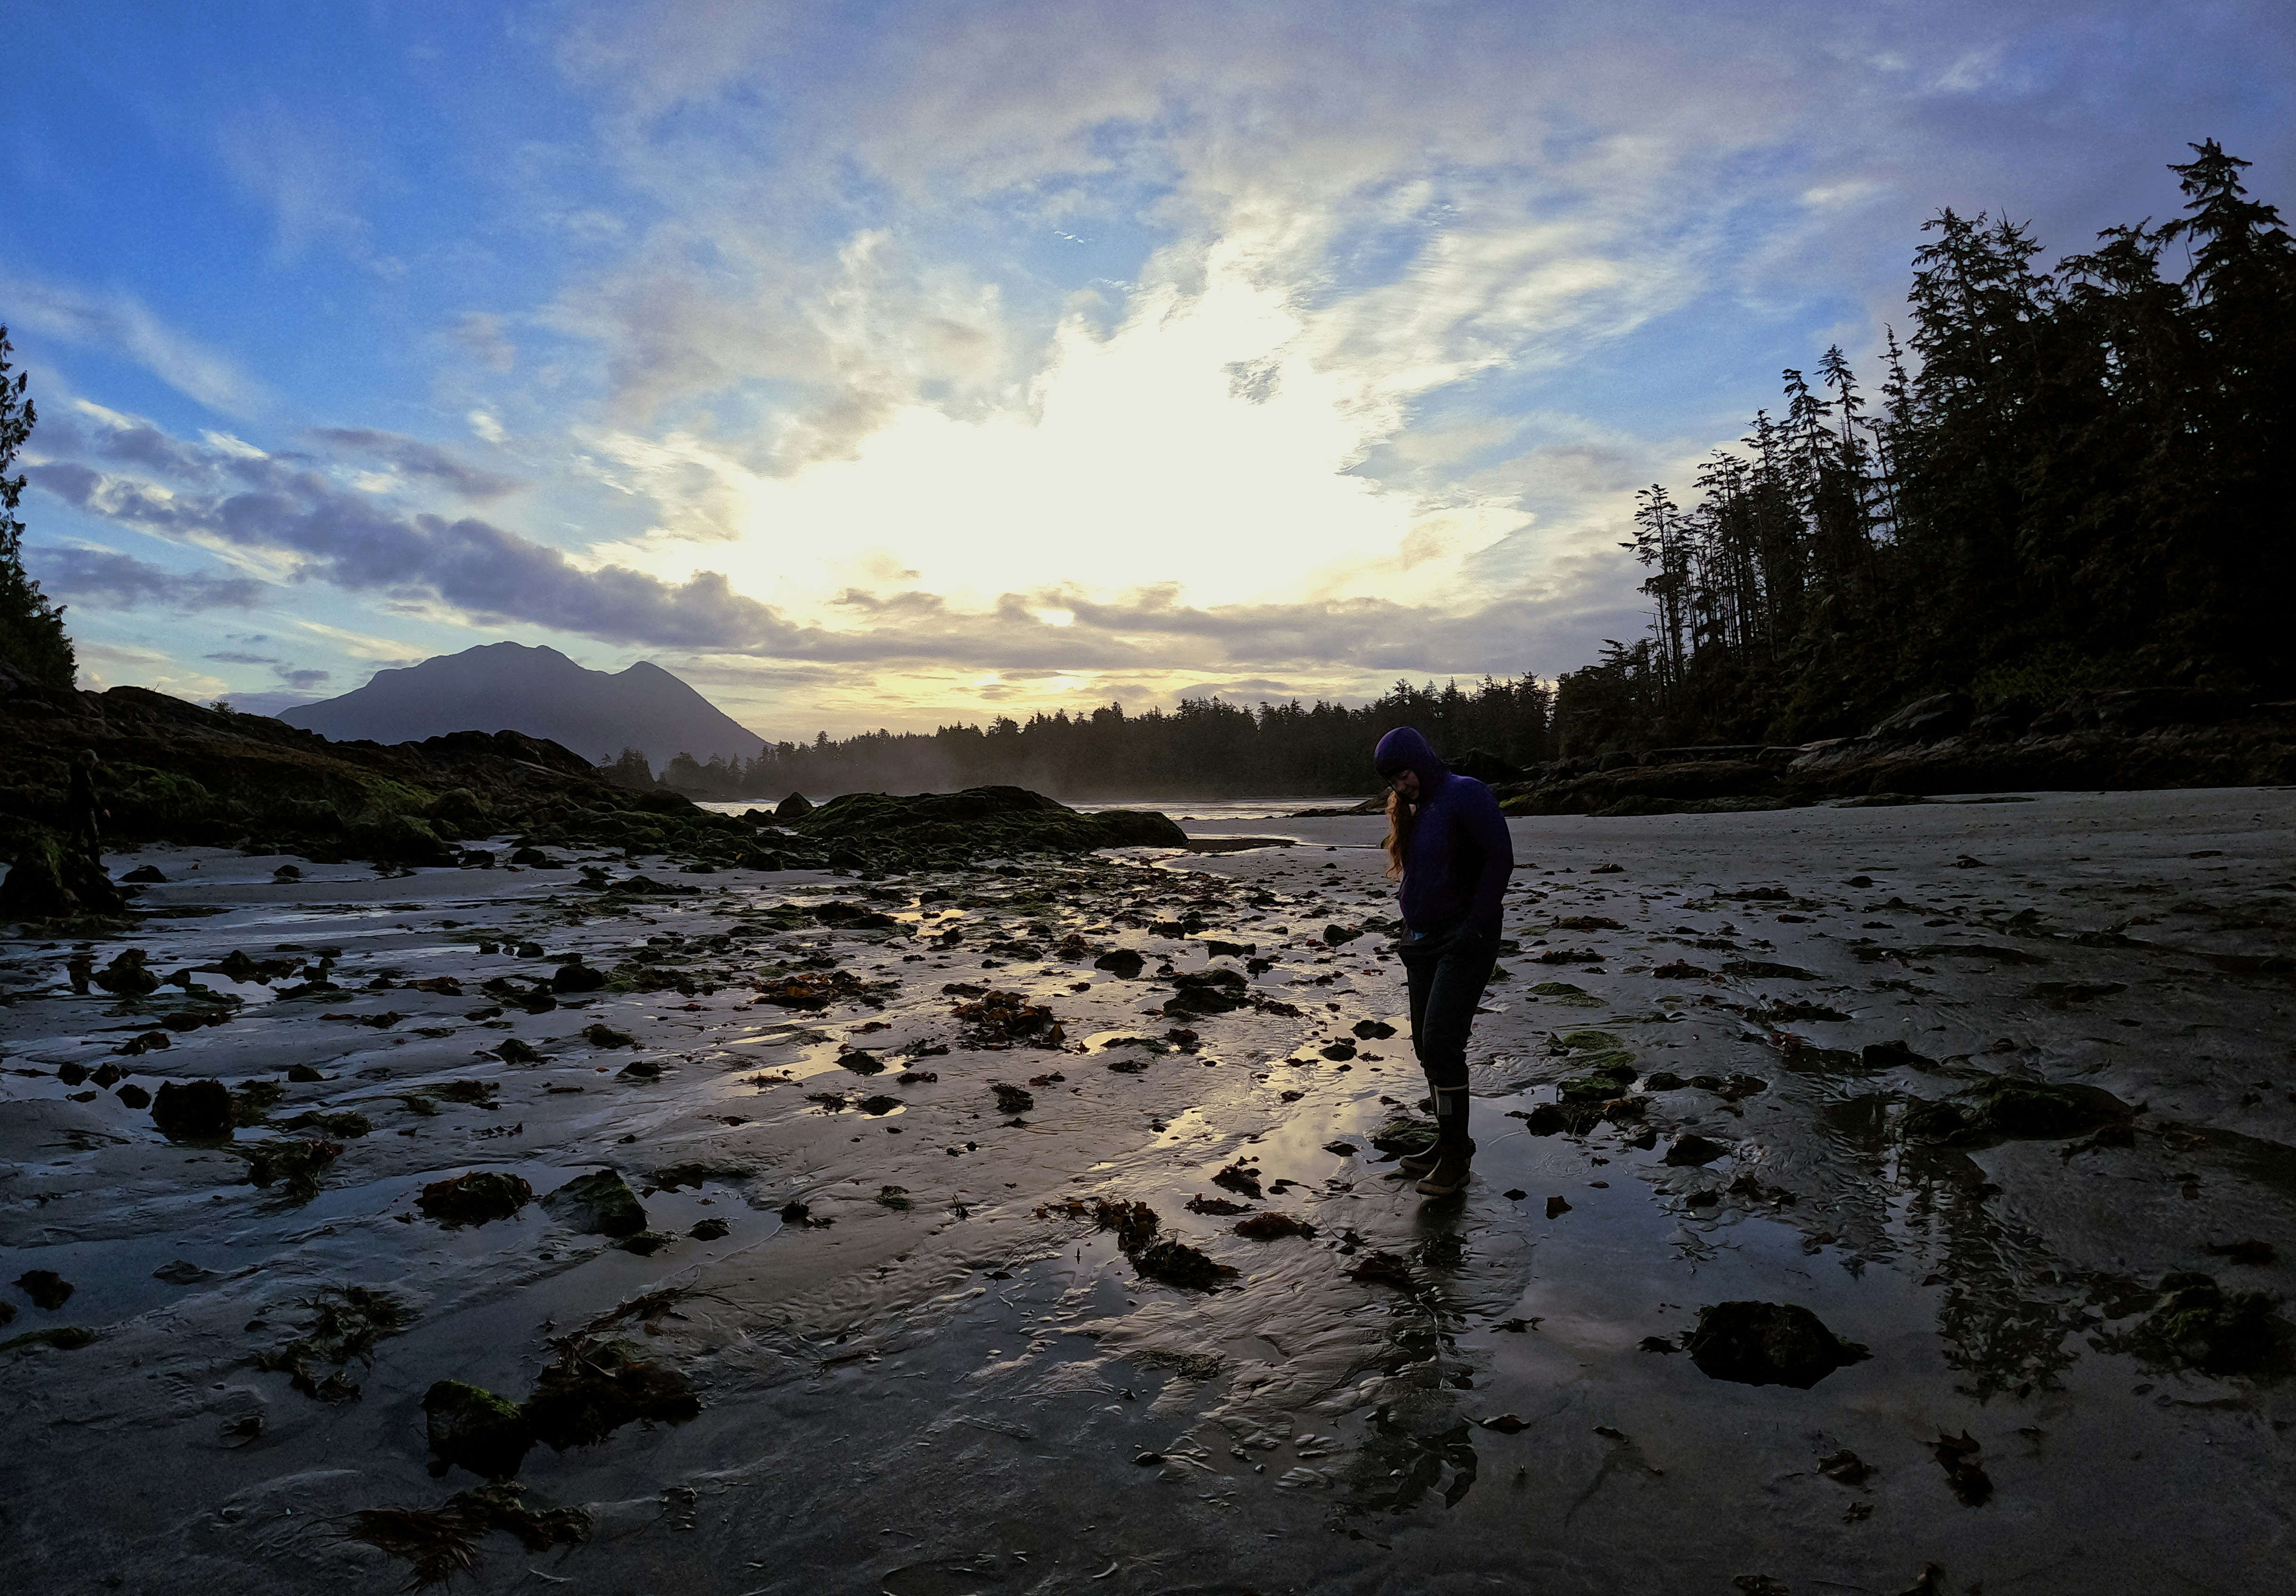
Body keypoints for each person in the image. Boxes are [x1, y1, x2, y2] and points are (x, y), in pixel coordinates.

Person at [1373, 727, 1515, 1196]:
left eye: (1405, 773)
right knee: (1424, 1047)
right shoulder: (1415, 810)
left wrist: (1475, 924)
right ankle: (1448, 1142)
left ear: (1422, 760)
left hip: (1464, 939)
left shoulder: (1465, 794)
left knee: (1441, 1043)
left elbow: (1500, 858)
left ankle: (1456, 1160)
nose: (1401, 785)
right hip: (1422, 943)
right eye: (1393, 779)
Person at [65, 749, 107, 867]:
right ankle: (96, 864)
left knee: (76, 834)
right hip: (84, 808)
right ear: (87, 760)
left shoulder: (75, 770)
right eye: (93, 761)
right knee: (93, 836)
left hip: (76, 807)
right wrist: (101, 809)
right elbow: (88, 793)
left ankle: (65, 856)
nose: (94, 764)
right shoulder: (82, 773)